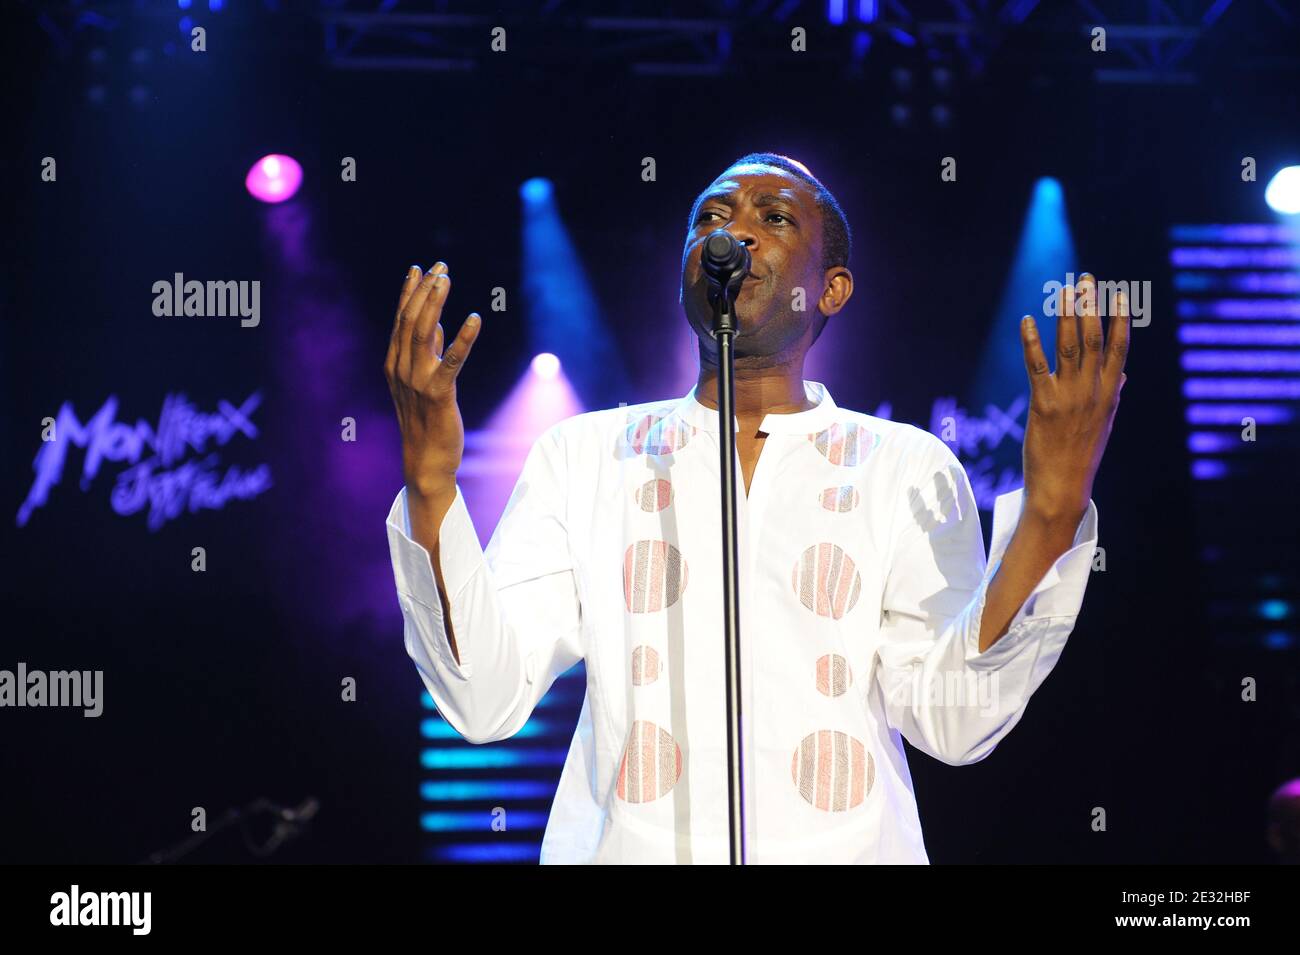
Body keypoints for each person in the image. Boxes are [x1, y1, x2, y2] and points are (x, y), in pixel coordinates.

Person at [382, 152, 1129, 864]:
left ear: (831, 289)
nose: (731, 230)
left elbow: (956, 716)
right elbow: (482, 695)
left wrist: (1052, 512)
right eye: (711, 214)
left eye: (774, 217)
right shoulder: (584, 455)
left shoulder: (906, 466)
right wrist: (431, 483)